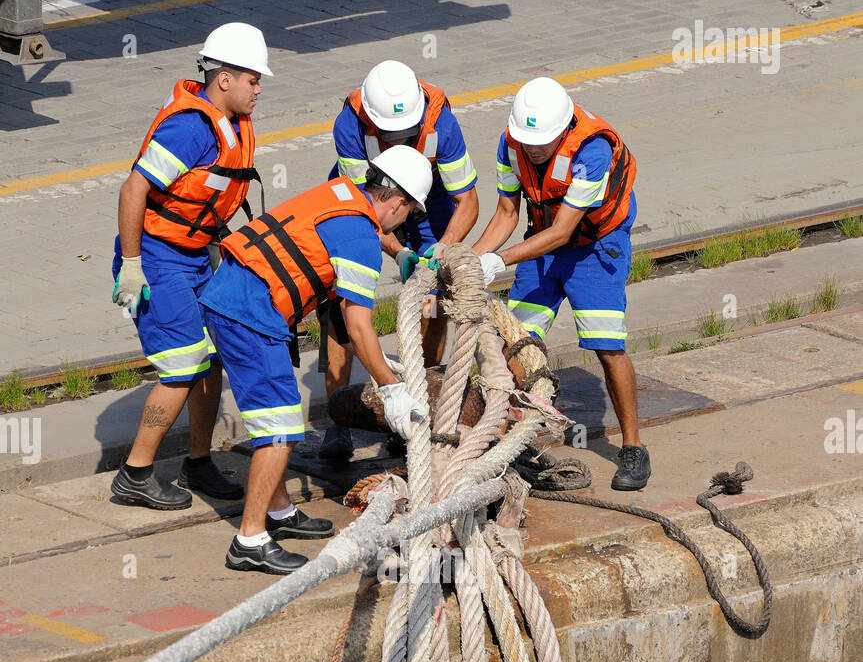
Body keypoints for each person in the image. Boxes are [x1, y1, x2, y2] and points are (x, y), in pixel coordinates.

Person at [198, 146, 433, 575]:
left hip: (232, 295)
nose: (406, 221)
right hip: (251, 315)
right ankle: (249, 540)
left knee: (278, 418)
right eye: (411, 213)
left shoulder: (341, 191)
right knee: (280, 428)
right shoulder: (360, 239)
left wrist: (396, 251)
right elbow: (358, 325)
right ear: (398, 201)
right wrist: (391, 387)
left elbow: (362, 225)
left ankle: (279, 510)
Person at [110, 23, 271, 510]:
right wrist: (133, 265)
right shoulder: (190, 128)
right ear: (224, 79)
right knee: (182, 366)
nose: (259, 89)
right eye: (253, 80)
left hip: (195, 252)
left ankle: (197, 463)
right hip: (159, 258)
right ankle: (135, 473)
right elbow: (133, 189)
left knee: (209, 360)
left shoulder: (228, 123)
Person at [472, 77, 651, 491]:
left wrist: (500, 260)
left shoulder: (593, 150)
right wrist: (475, 261)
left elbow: (564, 232)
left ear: (564, 129)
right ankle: (501, 446)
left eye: (542, 141)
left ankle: (633, 447)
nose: (533, 149)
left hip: (594, 248)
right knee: (515, 345)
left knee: (607, 347)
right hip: (542, 243)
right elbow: (505, 214)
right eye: (526, 140)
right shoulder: (511, 145)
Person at [319, 59, 478, 463]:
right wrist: (400, 251)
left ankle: (416, 408)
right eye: (390, 135)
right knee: (340, 301)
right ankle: (338, 421)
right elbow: (360, 211)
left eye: (406, 132)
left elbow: (468, 200)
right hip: (371, 197)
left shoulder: (442, 123)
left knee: (433, 298)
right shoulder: (350, 126)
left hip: (430, 199)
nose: (400, 139)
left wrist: (439, 251)